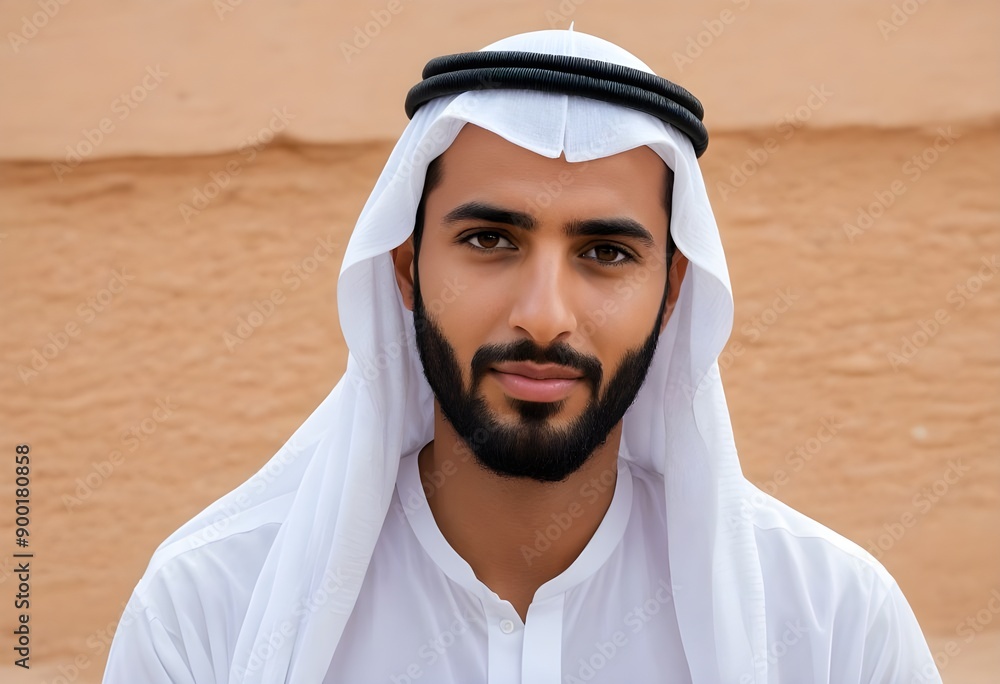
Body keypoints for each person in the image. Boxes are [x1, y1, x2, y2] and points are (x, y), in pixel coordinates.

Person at [103, 28, 942, 684]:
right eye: (490, 239)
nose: (544, 317)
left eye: (606, 253)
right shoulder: (209, 607)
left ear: (674, 289)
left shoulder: (832, 621)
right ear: (405, 266)